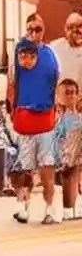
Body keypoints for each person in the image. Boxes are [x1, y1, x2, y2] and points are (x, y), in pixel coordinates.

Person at [7, 38, 60, 223]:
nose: (26, 60)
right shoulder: (16, 62)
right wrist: (13, 112)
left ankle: (49, 207)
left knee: (47, 168)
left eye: (30, 56)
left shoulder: (51, 56)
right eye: (23, 56)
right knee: (24, 168)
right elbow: (12, 86)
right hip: (25, 120)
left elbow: (56, 85)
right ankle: (23, 205)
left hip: (45, 120)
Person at [53, 79, 82, 220]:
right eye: (67, 93)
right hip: (65, 154)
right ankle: (68, 208)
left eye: (73, 93)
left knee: (75, 176)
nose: (70, 96)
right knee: (67, 176)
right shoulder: (59, 118)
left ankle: (75, 206)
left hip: (77, 154)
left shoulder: (79, 118)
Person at [50, 12, 82, 86]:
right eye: (70, 27)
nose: (75, 30)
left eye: (79, 26)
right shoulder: (55, 46)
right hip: (60, 94)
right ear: (65, 29)